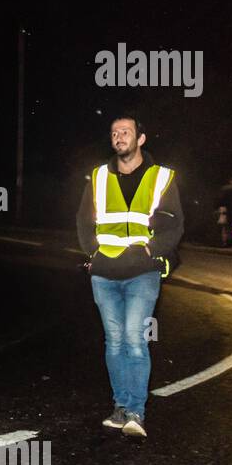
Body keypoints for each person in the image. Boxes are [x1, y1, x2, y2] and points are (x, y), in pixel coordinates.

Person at [77, 115, 183, 438]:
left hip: (142, 273)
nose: (119, 137)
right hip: (105, 273)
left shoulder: (161, 177)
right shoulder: (97, 177)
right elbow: (84, 221)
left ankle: (136, 411)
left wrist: (152, 251)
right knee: (114, 342)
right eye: (114, 133)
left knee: (136, 339)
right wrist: (92, 254)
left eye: (126, 132)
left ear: (141, 139)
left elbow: (174, 223)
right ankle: (120, 407)